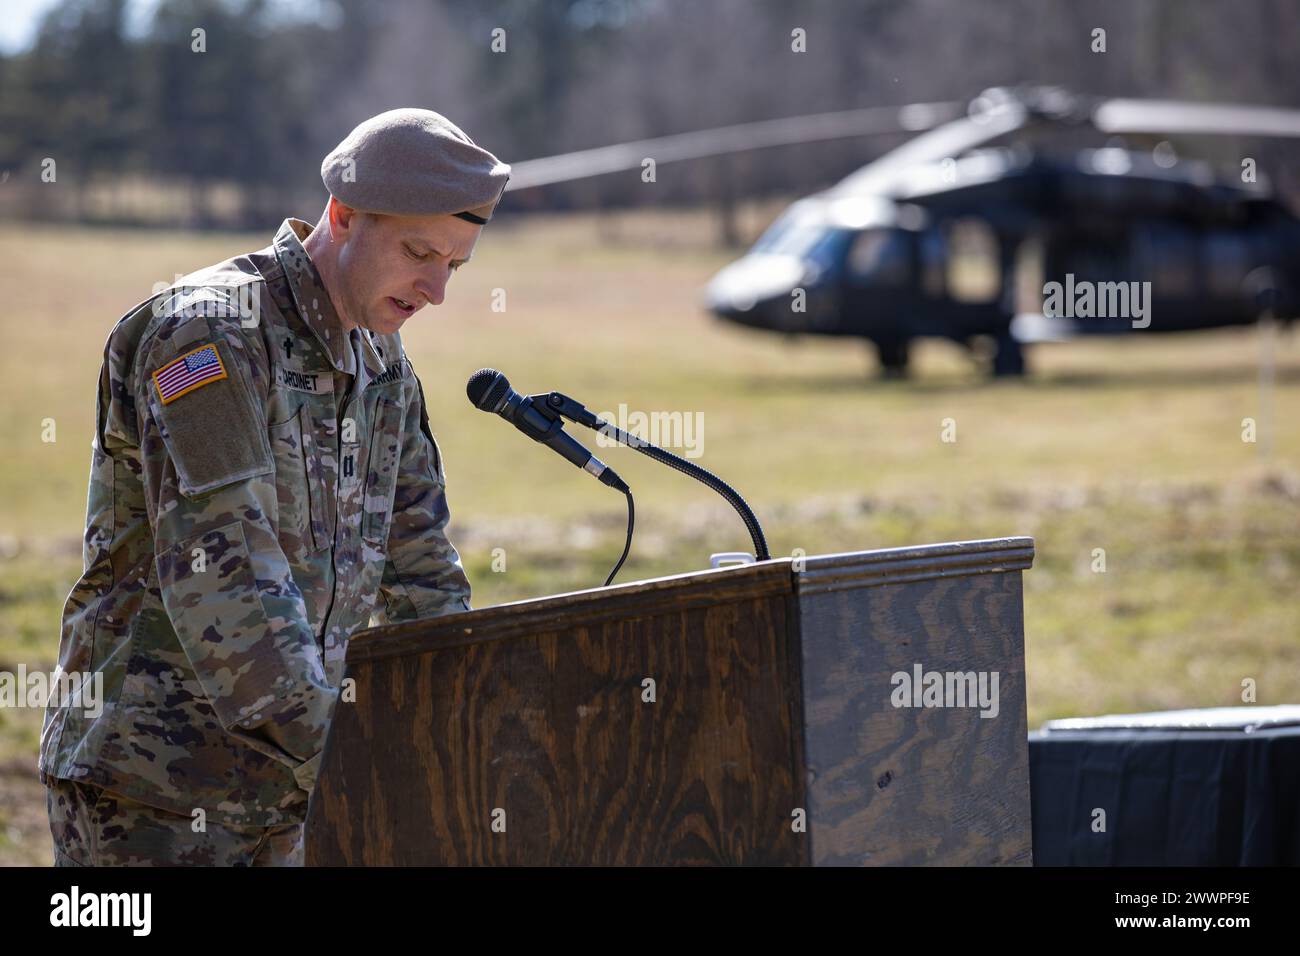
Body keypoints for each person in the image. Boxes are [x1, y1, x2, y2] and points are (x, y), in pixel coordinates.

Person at [40, 108, 510, 866]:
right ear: (343, 215)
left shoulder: (383, 367)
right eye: (419, 251)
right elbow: (227, 580)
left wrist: (458, 731)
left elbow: (419, 570)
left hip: (295, 793)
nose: (437, 290)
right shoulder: (209, 336)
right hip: (156, 791)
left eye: (454, 266)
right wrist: (356, 757)